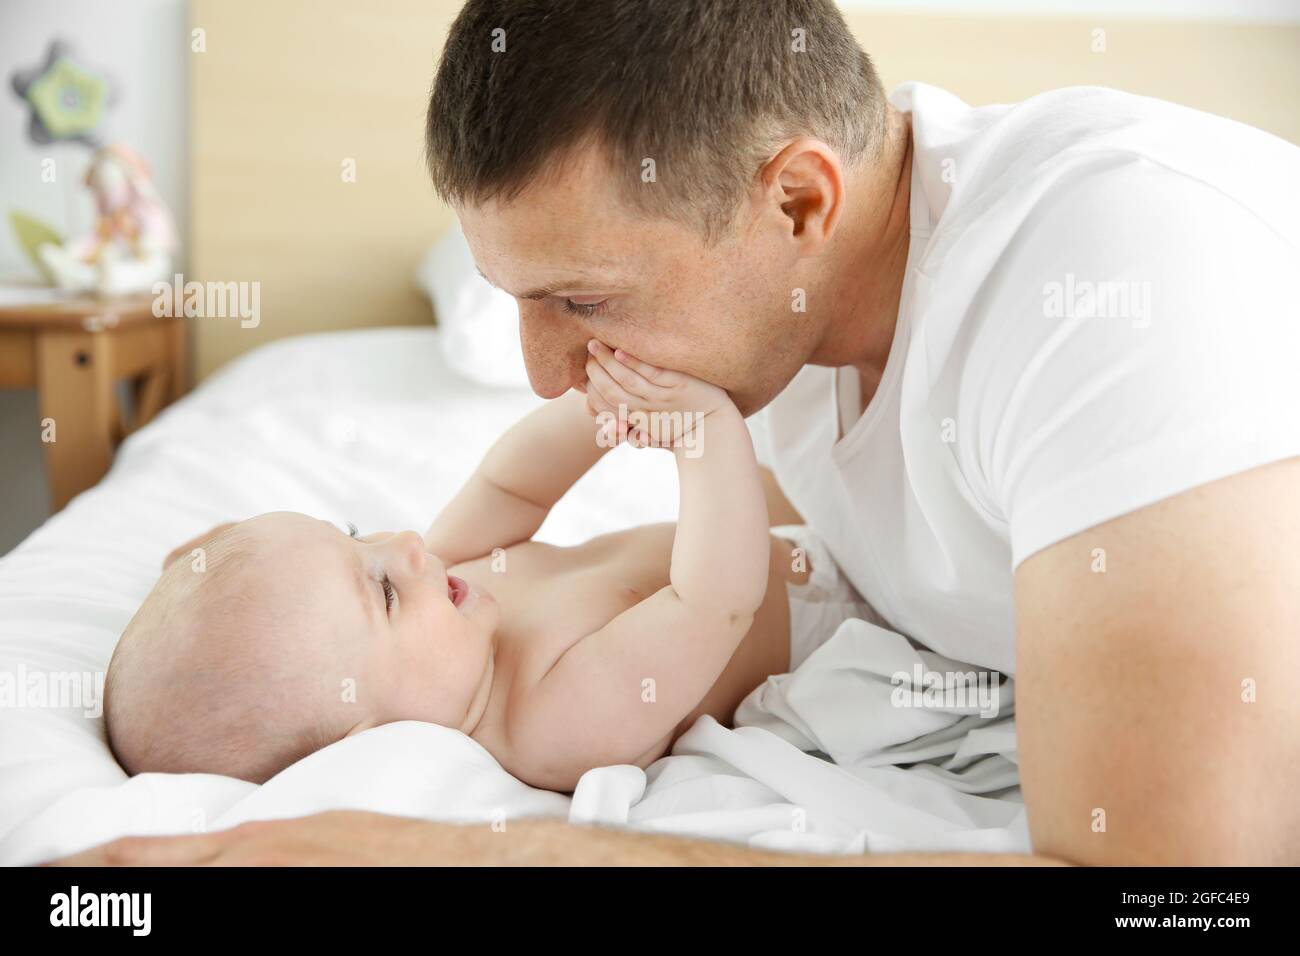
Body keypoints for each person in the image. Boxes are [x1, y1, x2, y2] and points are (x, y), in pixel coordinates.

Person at [62, 0, 1299, 865]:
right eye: (519, 303)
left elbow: (1172, 898)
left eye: (584, 300)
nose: (550, 370)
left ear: (800, 200)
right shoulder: (789, 328)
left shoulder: (1108, 276)